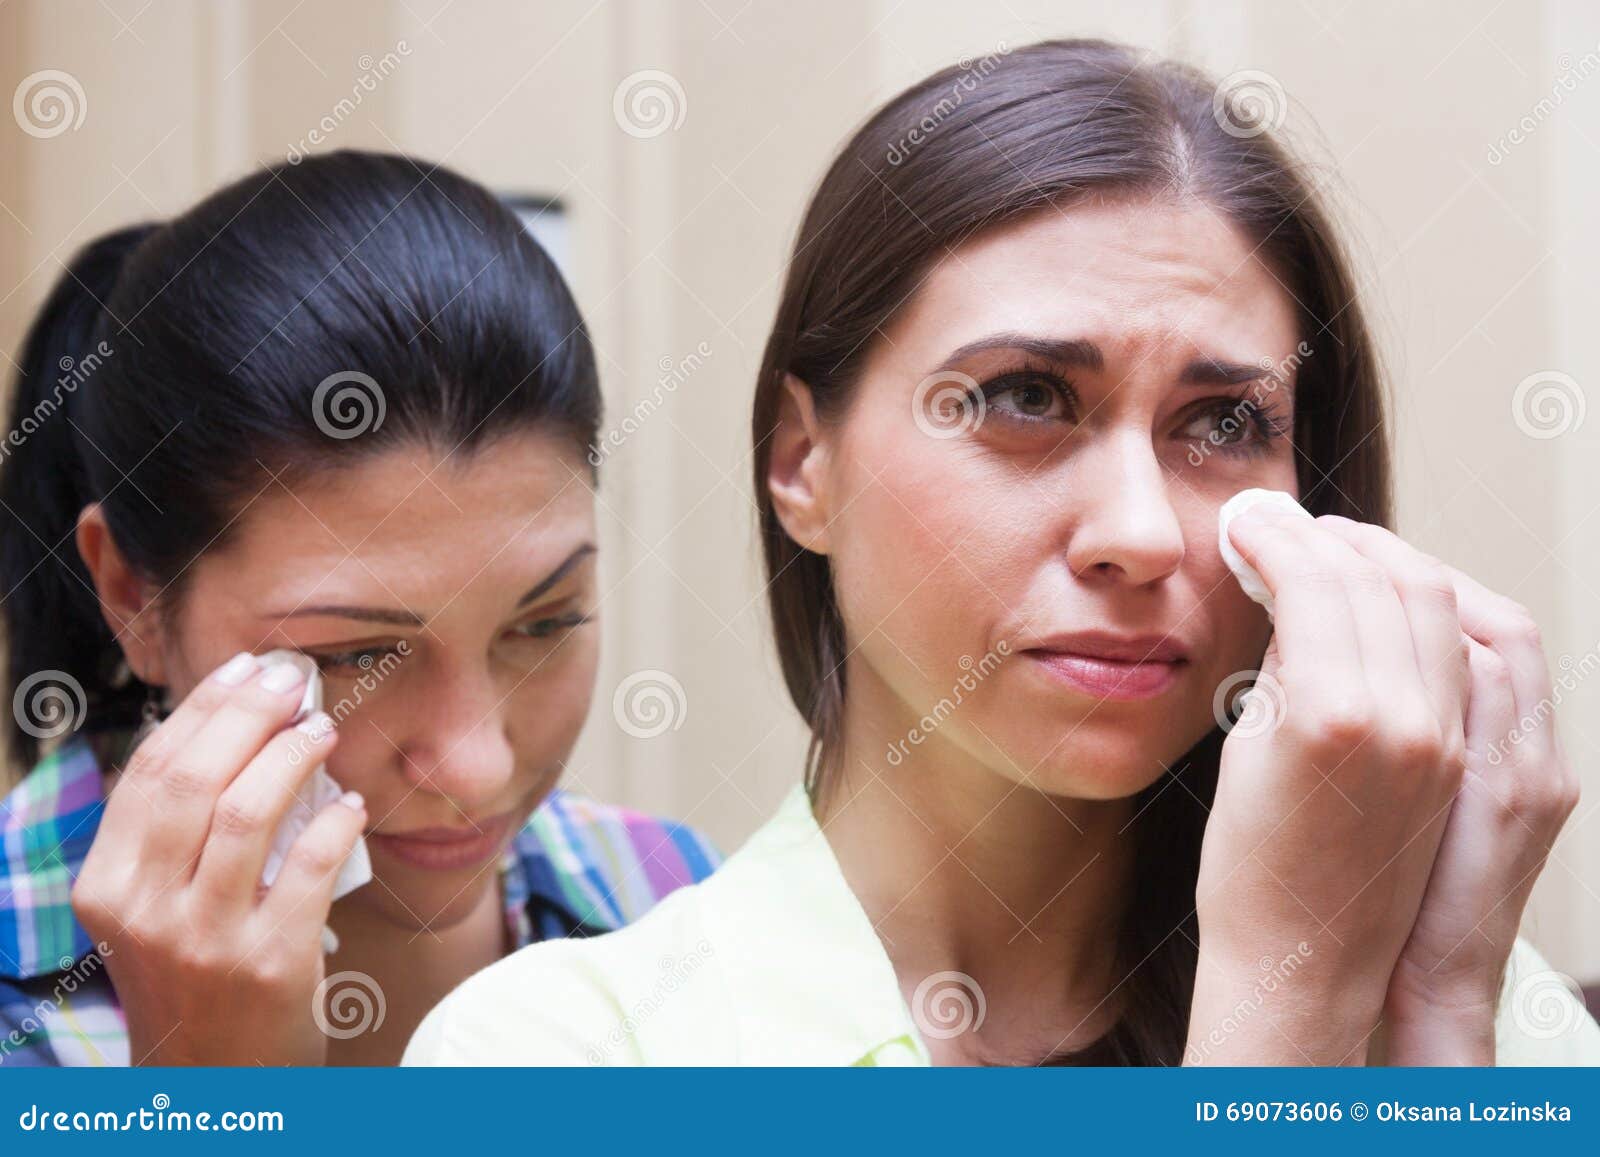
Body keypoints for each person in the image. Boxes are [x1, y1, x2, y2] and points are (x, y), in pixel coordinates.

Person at [404, 40, 1597, 1066]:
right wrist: (1284, 1010)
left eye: (1224, 422)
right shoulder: (565, 1053)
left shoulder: (1491, 1015)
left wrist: (1439, 1015)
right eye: (1025, 395)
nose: (1138, 531)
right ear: (800, 461)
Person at [0, 150, 718, 1067]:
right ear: (135, 596)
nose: (474, 765)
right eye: (352, 655)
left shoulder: (670, 898)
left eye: (544, 623)